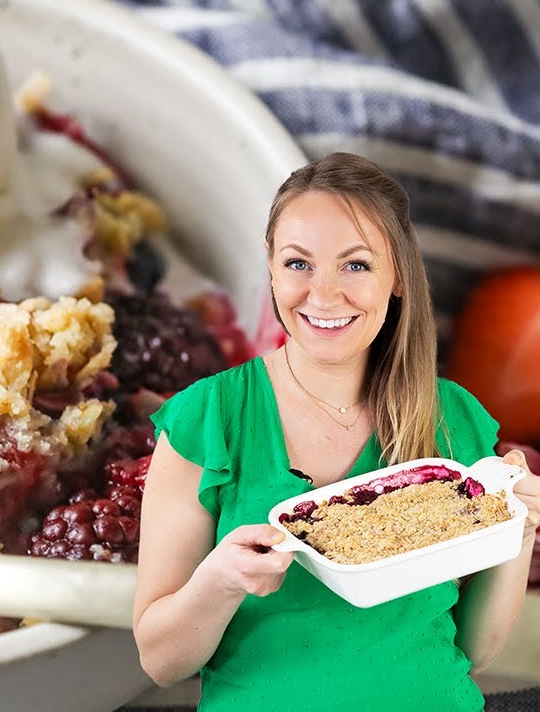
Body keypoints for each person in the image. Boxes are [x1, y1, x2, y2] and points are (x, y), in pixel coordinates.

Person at [131, 151, 540, 711]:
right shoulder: (206, 419)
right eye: (299, 263)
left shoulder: (453, 419)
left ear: (396, 277)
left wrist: (515, 533)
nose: (323, 295)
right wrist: (220, 579)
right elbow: (160, 661)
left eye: (356, 265)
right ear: (271, 268)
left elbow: (473, 650)